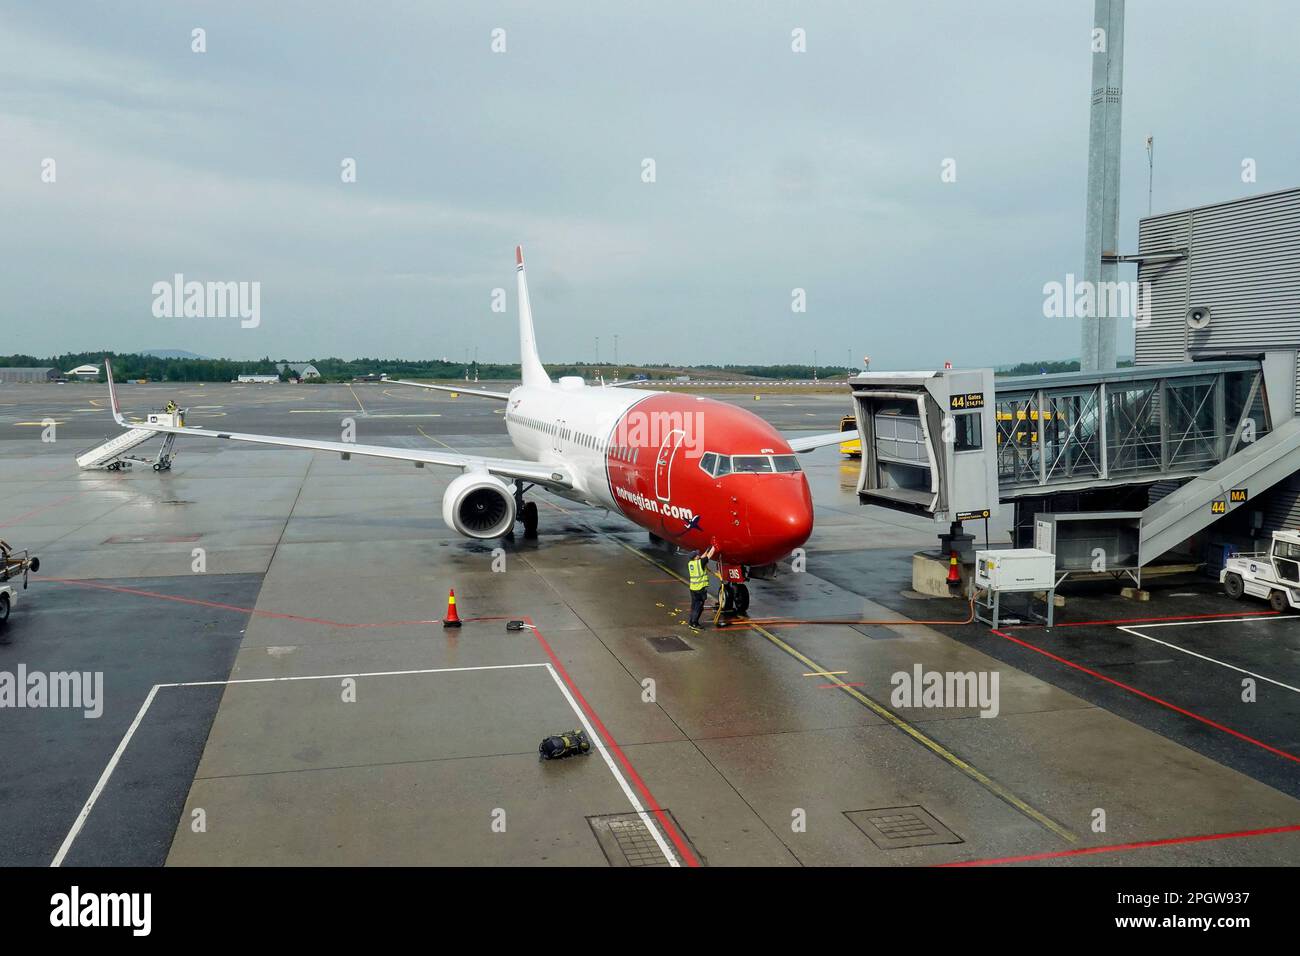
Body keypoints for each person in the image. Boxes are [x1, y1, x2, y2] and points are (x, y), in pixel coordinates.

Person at [687, 545, 716, 630]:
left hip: (693, 588)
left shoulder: (691, 563)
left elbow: (703, 557)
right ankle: (695, 624)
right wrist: (714, 546)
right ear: (695, 557)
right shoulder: (700, 563)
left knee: (693, 606)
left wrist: (707, 549)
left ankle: (691, 622)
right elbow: (709, 556)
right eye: (697, 555)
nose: (698, 555)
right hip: (700, 589)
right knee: (699, 606)